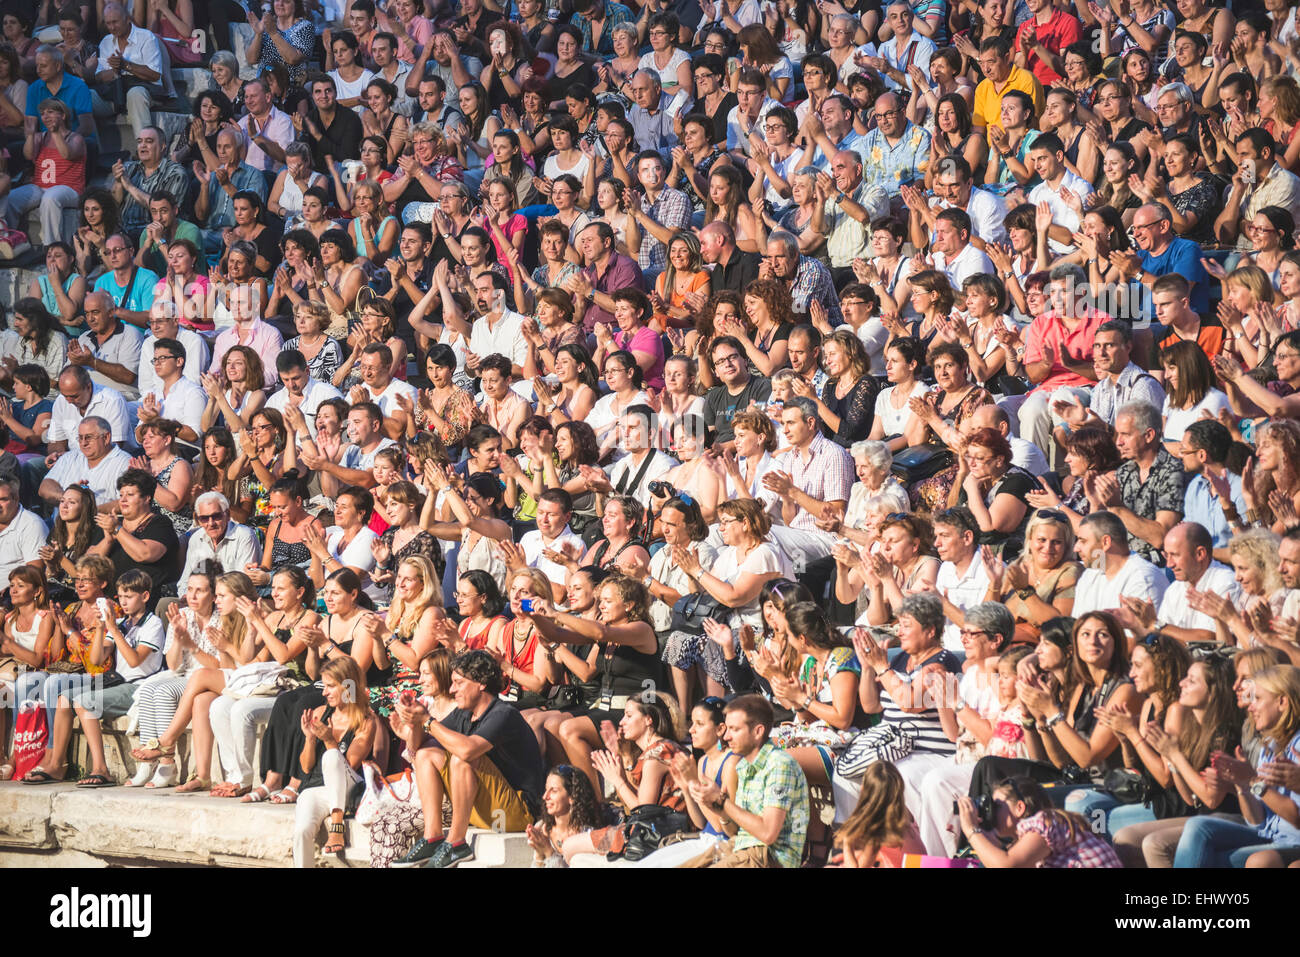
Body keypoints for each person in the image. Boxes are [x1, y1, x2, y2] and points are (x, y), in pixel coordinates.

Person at [391, 649, 545, 869]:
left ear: (481, 683)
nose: (452, 690)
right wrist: (415, 721)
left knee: (462, 758)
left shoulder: (503, 714)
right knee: (428, 754)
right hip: (484, 808)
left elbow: (467, 751)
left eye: (459, 683)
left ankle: (455, 843)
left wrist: (427, 721)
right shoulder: (466, 713)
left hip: (517, 813)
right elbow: (418, 748)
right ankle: (433, 836)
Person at [1171, 665, 1300, 868]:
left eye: (1257, 699)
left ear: (1282, 701)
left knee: (1217, 856)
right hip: (1268, 836)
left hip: (1293, 843)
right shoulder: (1270, 745)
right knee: (1198, 826)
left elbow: (1296, 818)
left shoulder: (1297, 747)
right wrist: (1242, 786)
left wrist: (1254, 781)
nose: (1251, 707)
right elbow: (1257, 821)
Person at [681, 693, 810, 868]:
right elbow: (733, 831)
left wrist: (721, 801)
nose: (726, 737)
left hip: (769, 856)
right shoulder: (744, 766)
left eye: (735, 729)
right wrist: (715, 806)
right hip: (740, 846)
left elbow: (767, 834)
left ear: (758, 731)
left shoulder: (779, 764)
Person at [293, 655, 379, 866]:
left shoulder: (366, 721)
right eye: (324, 685)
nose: (324, 692)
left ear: (348, 685)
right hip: (316, 788)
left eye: (330, 686)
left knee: (332, 755)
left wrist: (330, 740)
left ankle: (337, 825)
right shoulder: (320, 713)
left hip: (348, 787)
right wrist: (311, 739)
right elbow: (305, 767)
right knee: (301, 831)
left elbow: (349, 764)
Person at [959, 775, 1121, 867]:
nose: (991, 811)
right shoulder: (1041, 830)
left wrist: (971, 830)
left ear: (1019, 807)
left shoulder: (1044, 822)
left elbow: (1007, 865)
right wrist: (988, 838)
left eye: (997, 806)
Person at [1069, 510, 1169, 619]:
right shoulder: (1089, 574)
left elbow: (1144, 634)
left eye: (1083, 541)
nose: (1076, 548)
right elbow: (1077, 625)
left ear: (1106, 542)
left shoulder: (1143, 579)